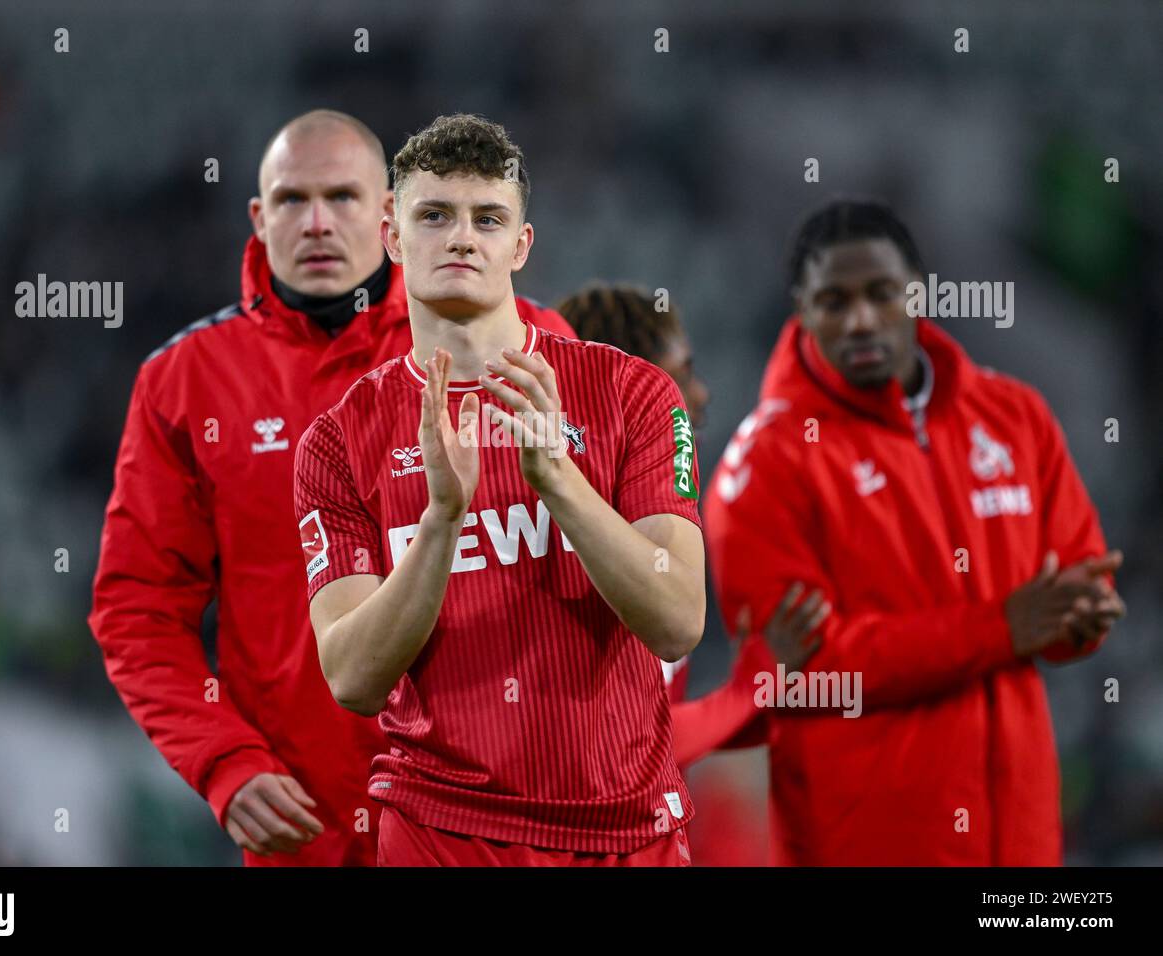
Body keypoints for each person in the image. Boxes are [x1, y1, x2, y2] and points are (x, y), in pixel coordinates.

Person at [89, 110, 574, 867]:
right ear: (258, 218)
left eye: (342, 197)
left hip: (499, 821)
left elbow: (604, 563)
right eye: (290, 200)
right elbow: (137, 610)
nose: (316, 222)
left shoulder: (529, 347)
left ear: (388, 215)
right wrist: (222, 759)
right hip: (310, 828)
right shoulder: (184, 384)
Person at [294, 114, 704, 866]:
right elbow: (352, 677)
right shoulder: (337, 441)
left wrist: (558, 480)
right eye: (435, 216)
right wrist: (443, 521)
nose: (461, 238)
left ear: (520, 244)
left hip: (626, 837)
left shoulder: (632, 394)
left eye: (488, 219)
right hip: (441, 832)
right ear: (391, 235)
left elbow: (677, 620)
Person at [703, 197, 1126, 865]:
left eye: (881, 293)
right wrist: (1003, 627)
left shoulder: (1016, 417)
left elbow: (1078, 576)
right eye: (834, 301)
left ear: (922, 293)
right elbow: (805, 670)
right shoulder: (767, 465)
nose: (861, 318)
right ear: (802, 311)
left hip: (1021, 840)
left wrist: (1083, 616)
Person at [556, 283, 826, 766]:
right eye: (681, 375)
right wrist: (754, 684)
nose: (699, 396)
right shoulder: (584, 555)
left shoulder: (635, 526)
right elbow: (632, 751)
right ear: (625, 391)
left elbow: (656, 729)